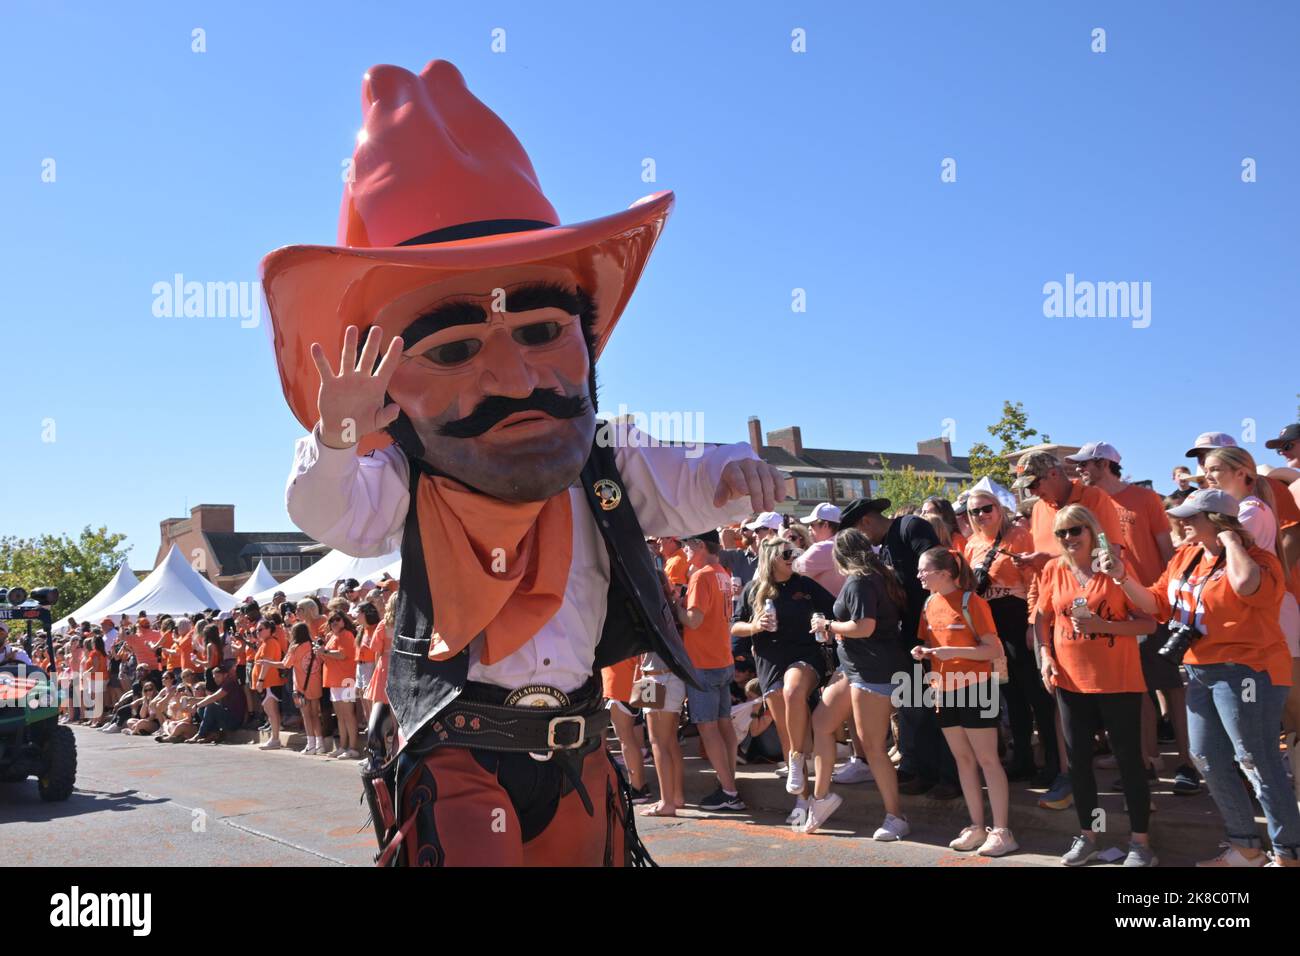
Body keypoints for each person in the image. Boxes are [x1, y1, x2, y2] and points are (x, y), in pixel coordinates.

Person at [271, 60, 789, 866]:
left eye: (542, 331)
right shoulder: (406, 483)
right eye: (455, 349)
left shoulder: (606, 461)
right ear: (393, 387)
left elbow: (692, 475)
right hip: (459, 757)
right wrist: (338, 437)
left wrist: (737, 472)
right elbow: (328, 514)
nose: (514, 380)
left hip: (579, 754)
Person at [1102, 489, 1299, 866]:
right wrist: (1122, 576)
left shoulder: (1258, 560)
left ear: (1218, 520)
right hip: (1199, 669)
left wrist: (1229, 539)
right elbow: (1156, 604)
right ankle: (1246, 846)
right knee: (1207, 756)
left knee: (1256, 759)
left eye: (1193, 517)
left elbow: (1245, 585)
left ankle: (1289, 851)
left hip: (1248, 670)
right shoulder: (1185, 557)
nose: (1182, 522)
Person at [1035, 506, 1158, 866]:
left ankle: (1140, 844)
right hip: (1070, 681)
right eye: (1061, 534)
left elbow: (1148, 623)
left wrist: (1104, 626)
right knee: (1078, 764)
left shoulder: (1114, 569)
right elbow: (1042, 618)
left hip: (1117, 679)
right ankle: (1088, 836)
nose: (1069, 539)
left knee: (1128, 761)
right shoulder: (1053, 569)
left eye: (1076, 531)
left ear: (1091, 531)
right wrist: (1045, 656)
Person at [840, 497, 961, 800]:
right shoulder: (885, 548)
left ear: (866, 521)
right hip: (910, 638)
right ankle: (923, 770)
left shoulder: (910, 527)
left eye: (858, 530)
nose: (862, 541)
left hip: (936, 634)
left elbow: (938, 568)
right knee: (916, 708)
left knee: (941, 707)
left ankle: (950, 776)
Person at [804, 529, 911, 838]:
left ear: (839, 555)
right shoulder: (876, 575)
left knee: (873, 748)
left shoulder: (861, 580)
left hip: (871, 671)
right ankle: (821, 798)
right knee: (822, 722)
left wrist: (828, 625)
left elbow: (864, 627)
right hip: (856, 669)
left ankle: (896, 816)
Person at [914, 547, 1017, 857]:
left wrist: (956, 654)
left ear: (944, 574)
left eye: (924, 571)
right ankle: (977, 826)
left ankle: (1002, 831)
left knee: (987, 759)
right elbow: (931, 643)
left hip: (976, 687)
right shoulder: (929, 603)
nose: (919, 575)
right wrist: (922, 652)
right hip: (944, 689)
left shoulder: (972, 602)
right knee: (963, 759)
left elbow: (993, 649)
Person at [731, 535, 835, 822]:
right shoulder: (753, 590)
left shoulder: (805, 585)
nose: (792, 557)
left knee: (792, 693)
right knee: (787, 732)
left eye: (793, 552)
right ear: (771, 558)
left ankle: (797, 759)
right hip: (769, 659)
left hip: (805, 655)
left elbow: (836, 607)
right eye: (786, 553)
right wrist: (754, 625)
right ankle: (801, 801)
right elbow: (734, 627)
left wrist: (824, 624)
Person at [963, 487, 1056, 787]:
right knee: (1010, 693)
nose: (981, 515)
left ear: (999, 508)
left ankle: (1054, 761)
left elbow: (1034, 582)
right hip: (991, 624)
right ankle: (1023, 760)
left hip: (1017, 619)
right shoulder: (972, 544)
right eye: (974, 511)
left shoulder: (1018, 535)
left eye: (986, 508)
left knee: (1036, 693)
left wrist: (1032, 624)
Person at [680, 534, 746, 812]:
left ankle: (729, 791)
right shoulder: (721, 572)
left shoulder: (701, 575)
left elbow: (693, 621)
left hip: (703, 662)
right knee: (723, 725)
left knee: (709, 729)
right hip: (721, 659)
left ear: (699, 545)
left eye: (687, 544)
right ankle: (729, 784)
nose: (684, 550)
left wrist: (673, 606)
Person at [319, 612, 361, 758]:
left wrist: (324, 651)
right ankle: (343, 746)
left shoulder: (347, 635)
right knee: (340, 716)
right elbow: (330, 656)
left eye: (337, 619)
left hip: (346, 680)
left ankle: (353, 748)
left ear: (344, 621)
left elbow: (342, 655)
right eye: (331, 621)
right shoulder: (332, 636)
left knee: (348, 715)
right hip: (335, 680)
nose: (334, 622)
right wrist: (322, 652)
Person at [792, 503, 847, 596]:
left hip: (830, 608)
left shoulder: (822, 548)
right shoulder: (850, 543)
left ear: (825, 525)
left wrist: (785, 541)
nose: (809, 528)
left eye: (812, 524)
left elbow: (790, 569)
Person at [251, 618, 287, 750]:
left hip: (269, 682)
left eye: (260, 629)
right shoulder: (265, 643)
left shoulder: (270, 643)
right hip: (266, 682)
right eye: (256, 630)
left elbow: (267, 663)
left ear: (269, 629)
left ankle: (275, 738)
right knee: (269, 711)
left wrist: (260, 680)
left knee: (272, 711)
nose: (257, 632)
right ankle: (274, 738)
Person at [191, 662, 248, 745]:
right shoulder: (222, 685)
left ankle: (200, 734)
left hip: (234, 720)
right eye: (214, 677)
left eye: (218, 676)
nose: (215, 679)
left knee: (210, 706)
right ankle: (214, 734)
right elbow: (211, 698)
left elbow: (214, 697)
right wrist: (195, 702)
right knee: (202, 708)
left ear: (225, 675)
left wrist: (196, 705)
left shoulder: (229, 683)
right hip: (226, 716)